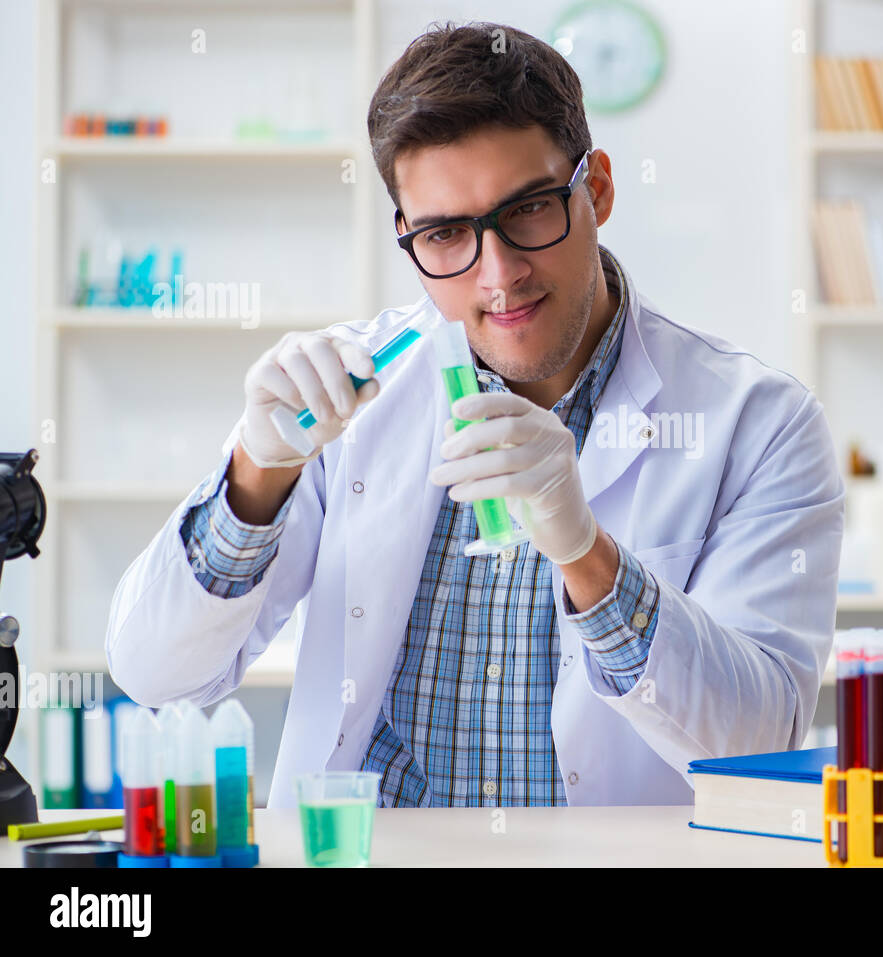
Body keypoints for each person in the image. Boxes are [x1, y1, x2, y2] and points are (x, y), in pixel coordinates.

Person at [107, 21, 844, 808]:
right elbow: (157, 673)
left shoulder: (761, 423)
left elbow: (758, 740)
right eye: (447, 233)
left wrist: (588, 557)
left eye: (527, 209)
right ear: (407, 235)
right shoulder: (346, 391)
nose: (499, 276)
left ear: (595, 188)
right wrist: (255, 476)